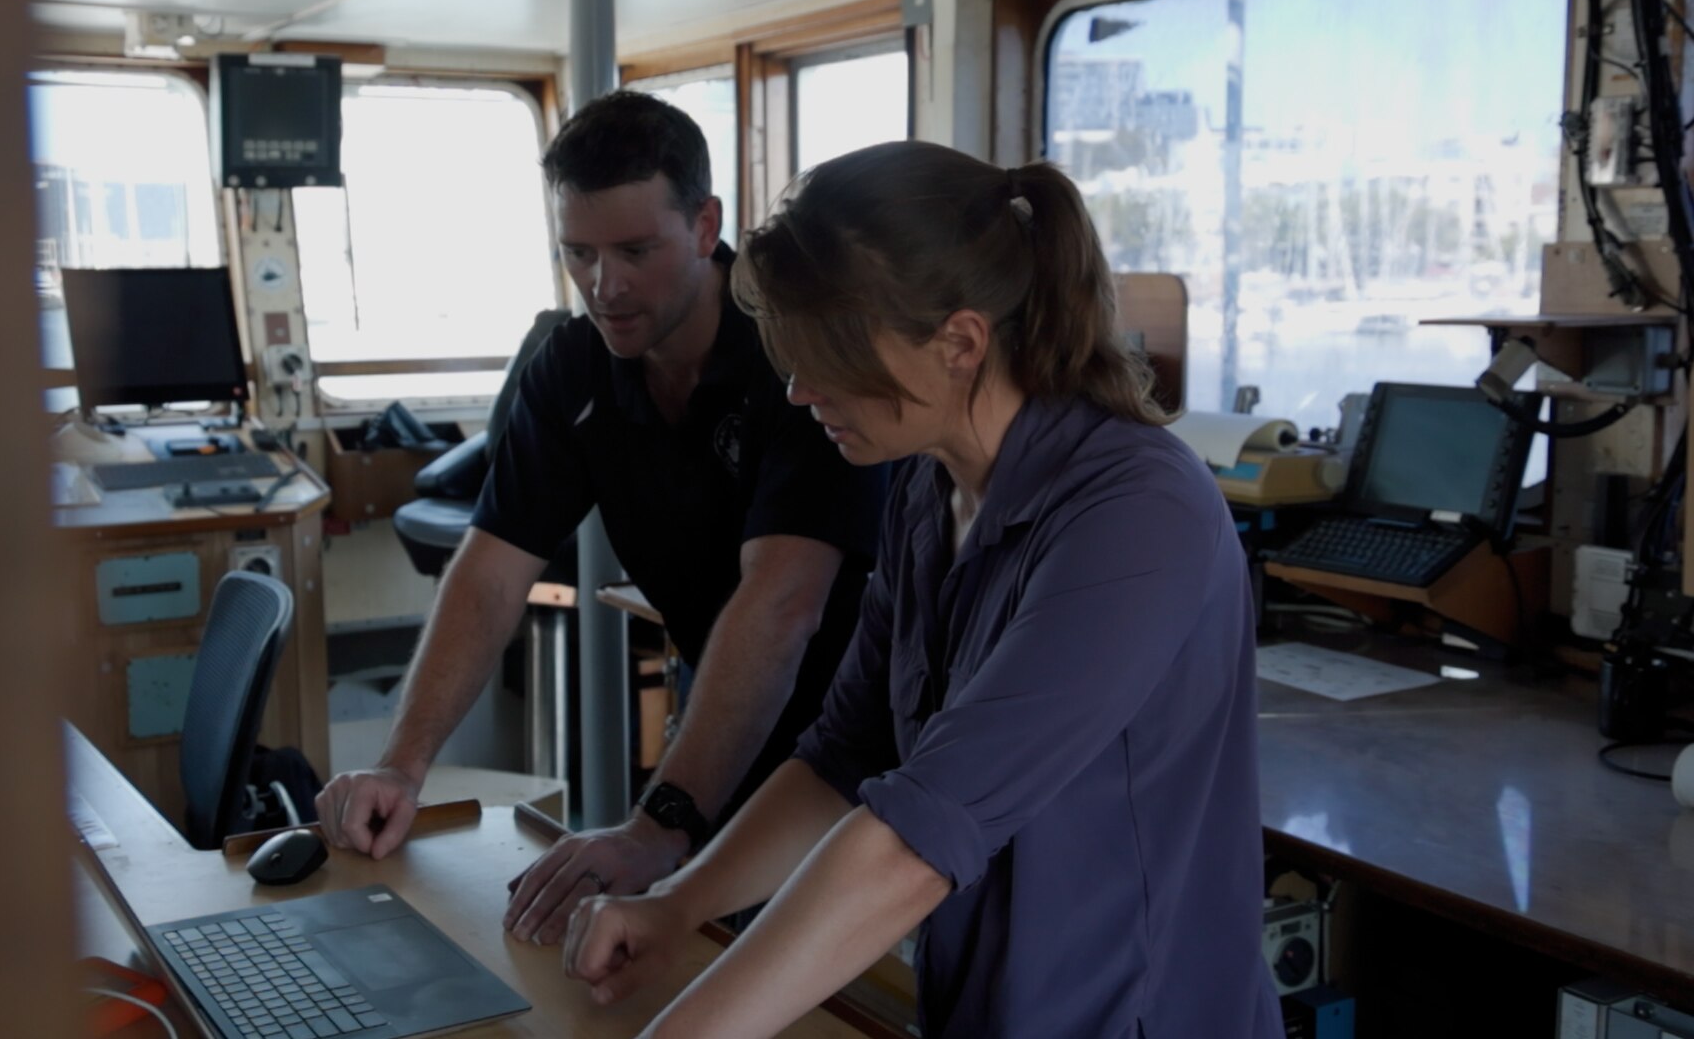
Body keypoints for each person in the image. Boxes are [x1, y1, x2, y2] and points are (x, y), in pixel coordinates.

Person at [562, 141, 1282, 1038]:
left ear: (959, 342)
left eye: (827, 357)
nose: (796, 389)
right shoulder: (925, 485)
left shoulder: (1140, 511)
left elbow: (918, 836)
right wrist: (678, 903)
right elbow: (845, 755)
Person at [313, 92, 887, 947]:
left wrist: (659, 824)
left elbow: (782, 606)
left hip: (874, 733)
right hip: (728, 709)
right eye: (577, 253)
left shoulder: (793, 356)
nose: (602, 285)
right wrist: (403, 763)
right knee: (702, 955)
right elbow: (492, 567)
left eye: (634, 250)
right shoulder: (572, 368)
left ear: (704, 225)